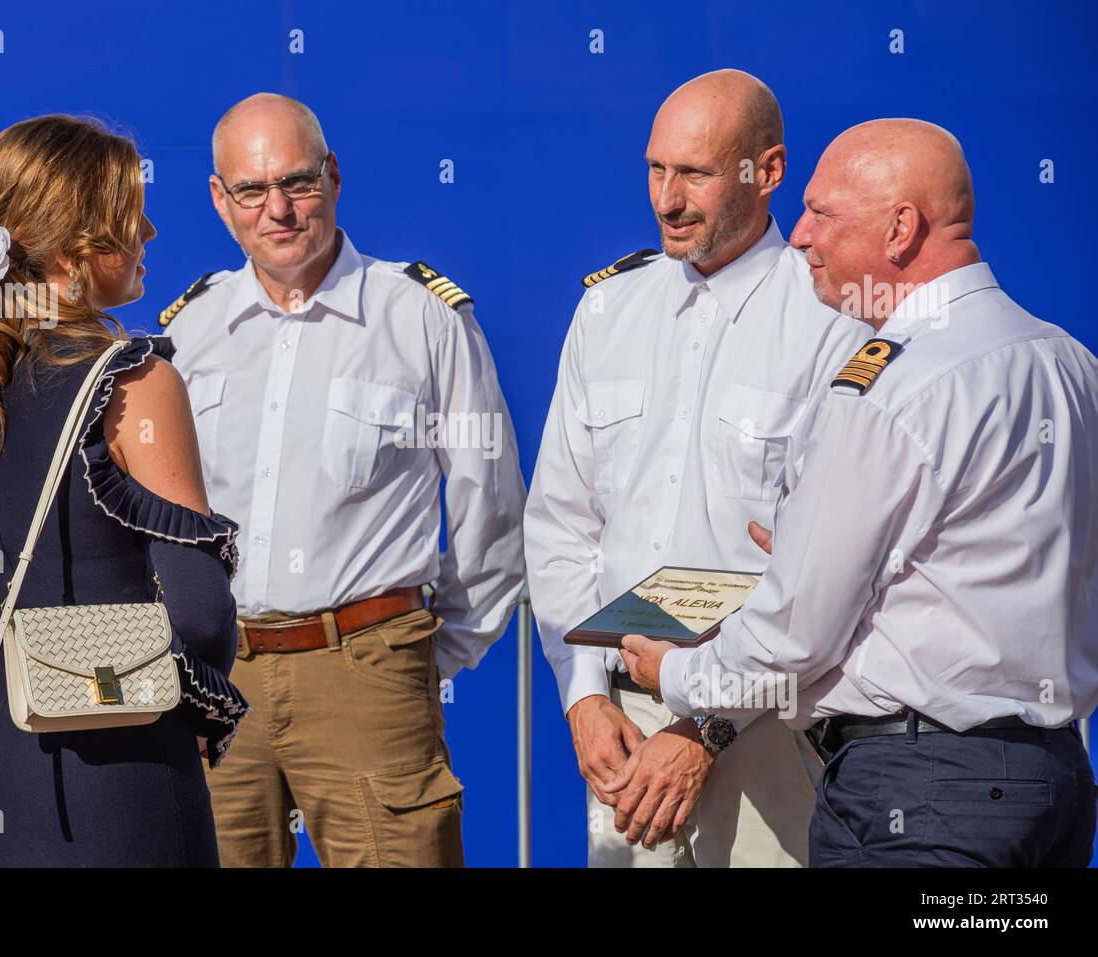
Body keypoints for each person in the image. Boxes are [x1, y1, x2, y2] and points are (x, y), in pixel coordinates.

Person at [627, 118, 1098, 867]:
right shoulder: (1067, 361)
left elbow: (794, 635)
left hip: (921, 793)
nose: (804, 236)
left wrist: (675, 675)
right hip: (1053, 780)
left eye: (824, 213)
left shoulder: (890, 384)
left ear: (901, 229)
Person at [161, 92, 527, 867]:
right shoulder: (187, 332)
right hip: (216, 681)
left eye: (297, 182)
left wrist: (420, 654)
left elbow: (489, 509)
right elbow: (159, 518)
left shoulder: (423, 317)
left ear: (333, 175)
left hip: (368, 669)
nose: (279, 210)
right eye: (253, 190)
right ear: (220, 201)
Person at [524, 70, 871, 867]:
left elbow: (831, 566)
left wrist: (708, 723)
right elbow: (562, 522)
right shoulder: (607, 310)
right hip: (621, 728)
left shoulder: (835, 322)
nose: (667, 199)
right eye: (655, 169)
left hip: (768, 733)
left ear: (769, 170)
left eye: (696, 173)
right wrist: (582, 693)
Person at [0, 114, 247, 867]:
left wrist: (7, 673)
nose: (150, 228)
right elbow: (202, 614)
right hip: (113, 772)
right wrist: (154, 693)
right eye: (128, 214)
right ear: (76, 251)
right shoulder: (135, 380)